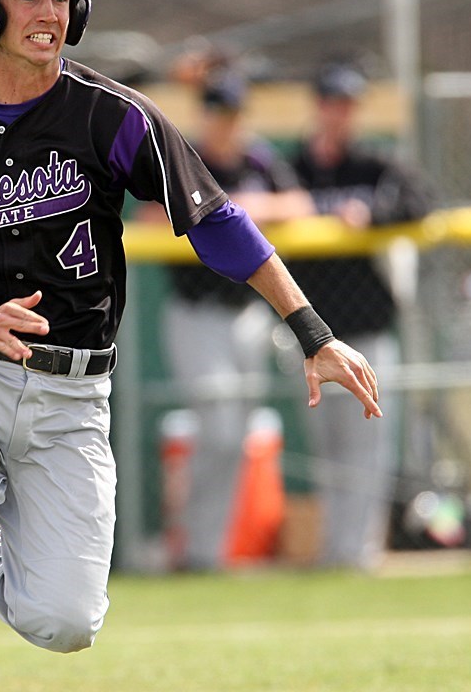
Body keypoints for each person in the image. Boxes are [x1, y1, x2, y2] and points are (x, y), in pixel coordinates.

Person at [0, 0, 382, 689]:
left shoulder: (110, 114)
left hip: (70, 399)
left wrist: (313, 332)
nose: (49, 11)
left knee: (65, 622)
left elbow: (218, 223)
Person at [145, 67, 316, 571]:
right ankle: (196, 548)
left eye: (234, 113)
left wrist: (237, 207)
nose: (227, 123)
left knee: (237, 437)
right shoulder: (187, 157)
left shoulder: (258, 159)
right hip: (197, 311)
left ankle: (211, 551)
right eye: (219, 112)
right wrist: (224, 212)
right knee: (217, 432)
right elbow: (150, 217)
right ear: (205, 114)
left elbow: (300, 203)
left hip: (246, 313)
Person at [288, 61, 434, 570]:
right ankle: (333, 551)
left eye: (348, 104)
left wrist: (372, 216)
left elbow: (422, 202)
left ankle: (358, 552)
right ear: (318, 106)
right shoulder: (294, 170)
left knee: (368, 446)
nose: (340, 113)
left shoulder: (375, 166)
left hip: (367, 327)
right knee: (325, 449)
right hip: (311, 333)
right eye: (333, 103)